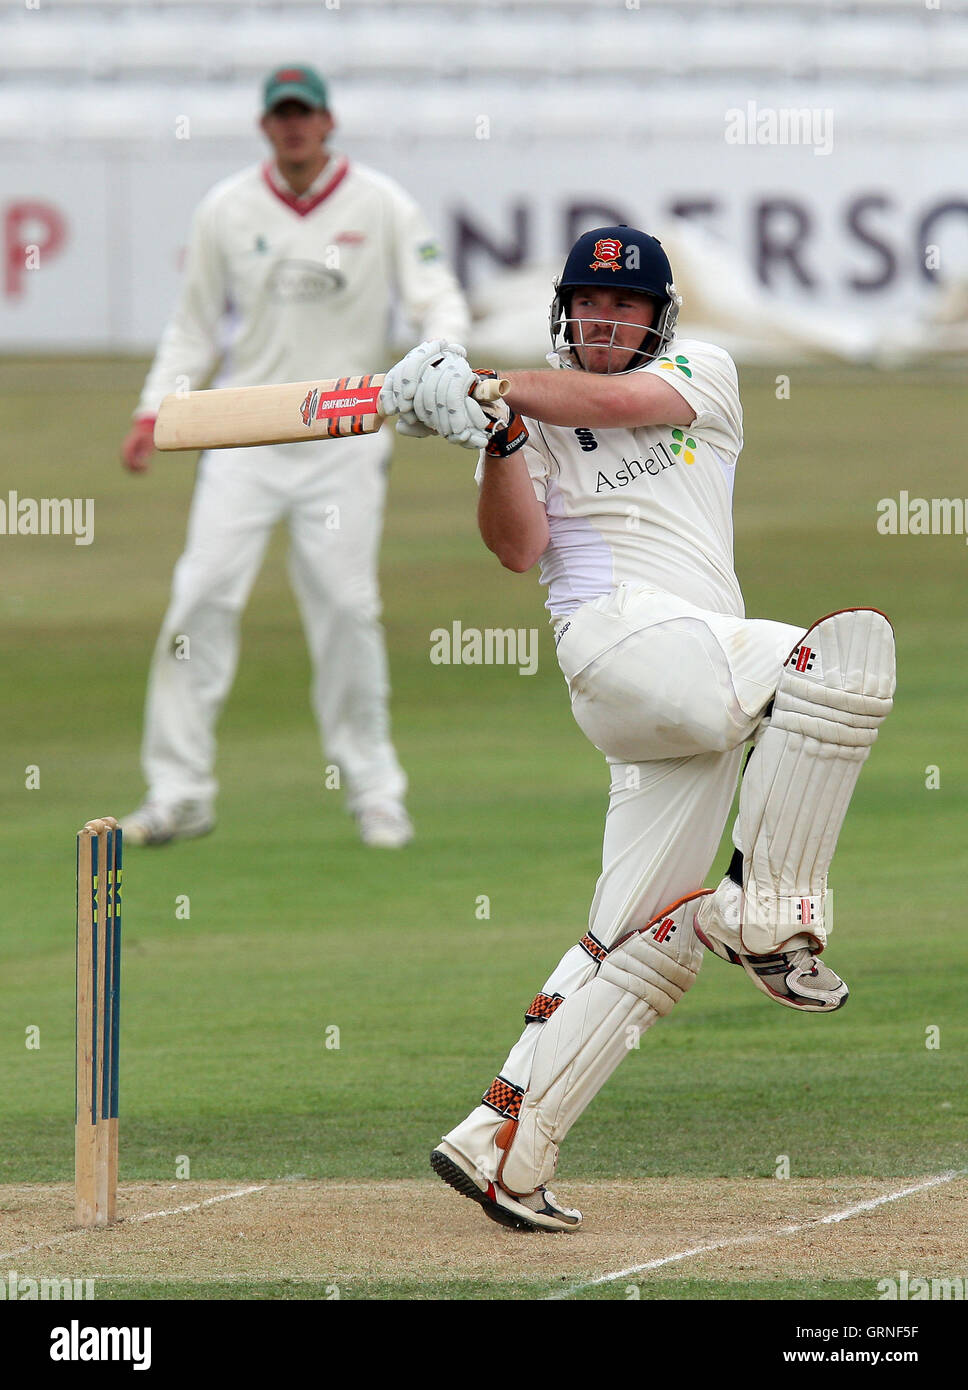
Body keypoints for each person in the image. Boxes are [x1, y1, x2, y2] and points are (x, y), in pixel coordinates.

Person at [378, 225, 896, 1230]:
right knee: (842, 653)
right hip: (618, 647)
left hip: (689, 683)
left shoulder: (703, 371)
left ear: (656, 318)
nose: (604, 320)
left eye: (623, 306)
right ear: (563, 314)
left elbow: (616, 403)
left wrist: (486, 387)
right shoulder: (529, 419)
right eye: (587, 304)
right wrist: (494, 438)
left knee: (643, 940)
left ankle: (501, 1144)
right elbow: (512, 547)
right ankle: (769, 913)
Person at [120, 64, 470, 848]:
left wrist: (445, 356)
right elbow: (194, 326)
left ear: (328, 120)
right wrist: (155, 408)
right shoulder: (226, 207)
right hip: (243, 433)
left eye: (304, 114)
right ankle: (179, 792)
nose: (294, 127)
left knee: (346, 608)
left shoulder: (379, 202)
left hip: (344, 436)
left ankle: (375, 789)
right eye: (281, 115)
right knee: (199, 598)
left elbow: (435, 294)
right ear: (265, 126)